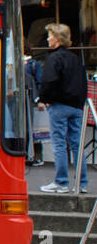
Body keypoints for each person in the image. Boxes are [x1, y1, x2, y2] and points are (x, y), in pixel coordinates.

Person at [38, 22, 88, 193]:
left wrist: (44, 98)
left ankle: (61, 182)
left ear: (57, 39)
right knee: (76, 144)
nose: (48, 38)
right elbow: (83, 82)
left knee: (59, 144)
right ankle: (81, 183)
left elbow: (49, 81)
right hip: (76, 106)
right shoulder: (75, 58)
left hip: (59, 105)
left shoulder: (54, 58)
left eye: (50, 35)